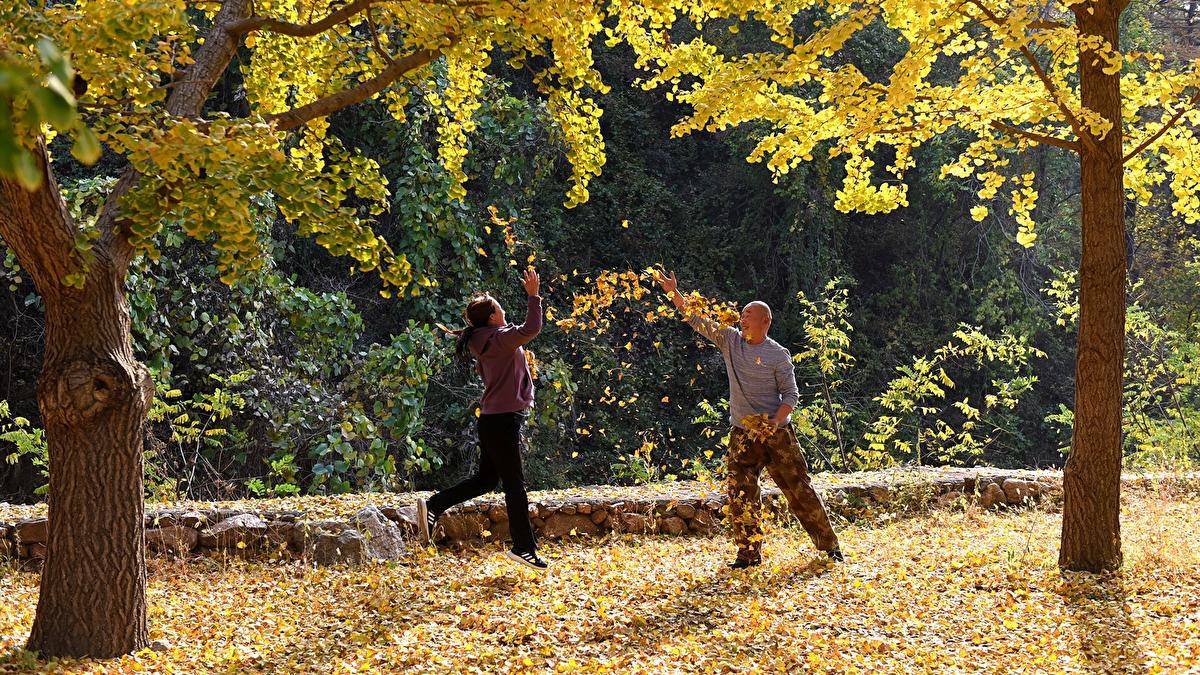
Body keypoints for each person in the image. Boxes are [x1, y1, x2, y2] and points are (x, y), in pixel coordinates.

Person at [653, 270, 843, 569]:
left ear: (764, 322)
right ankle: (748, 554)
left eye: (748, 315)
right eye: (742, 314)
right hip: (742, 433)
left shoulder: (778, 355)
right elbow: (696, 319)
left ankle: (830, 546)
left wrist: (776, 422)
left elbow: (790, 396)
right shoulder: (731, 341)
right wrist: (674, 292)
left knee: (799, 490)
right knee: (740, 495)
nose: (742, 318)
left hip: (776, 433)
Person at [417, 268, 547, 571]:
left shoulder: (485, 338)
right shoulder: (499, 339)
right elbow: (532, 328)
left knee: (487, 479)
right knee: (514, 485)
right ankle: (523, 548)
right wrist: (533, 296)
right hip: (501, 420)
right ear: (491, 317)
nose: (503, 310)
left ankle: (435, 505)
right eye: (499, 308)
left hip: (493, 419)